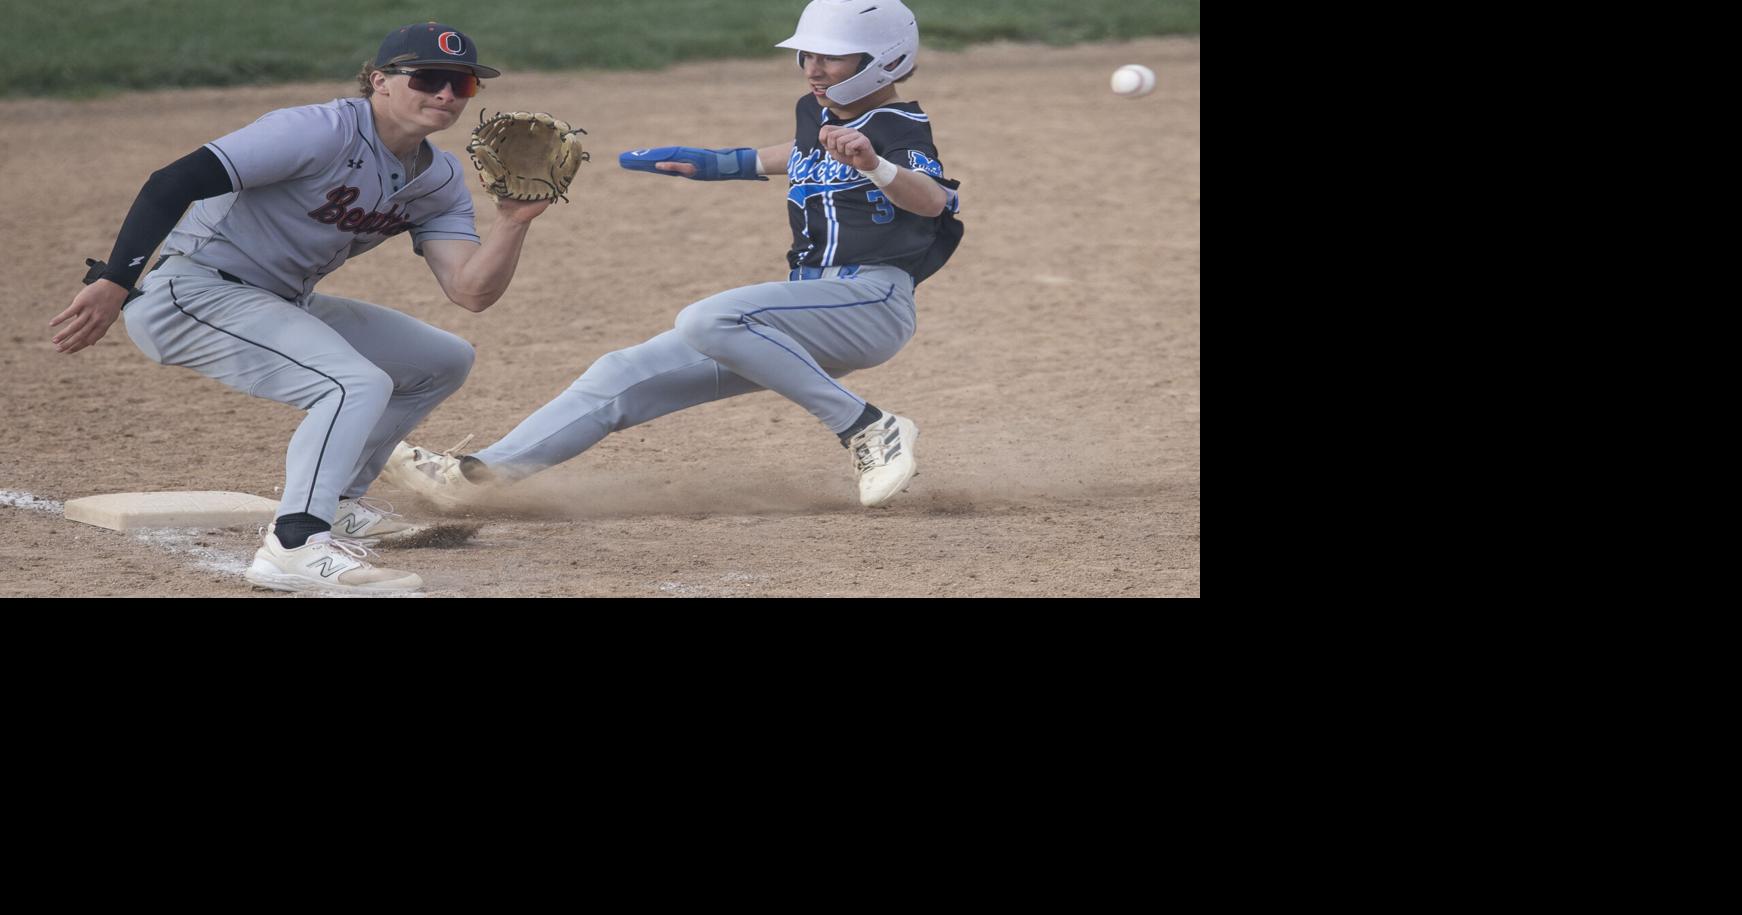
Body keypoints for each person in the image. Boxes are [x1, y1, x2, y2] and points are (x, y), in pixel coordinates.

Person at [383, 0, 963, 513]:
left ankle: (868, 428)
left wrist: (875, 165)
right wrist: (711, 163)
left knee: (711, 318)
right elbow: (800, 153)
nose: (814, 68)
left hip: (870, 301)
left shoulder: (898, 126)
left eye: (832, 58)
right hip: (808, 310)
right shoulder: (818, 115)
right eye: (807, 54)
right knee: (624, 373)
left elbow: (933, 198)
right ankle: (479, 477)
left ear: (883, 60)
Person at [50, 22, 555, 594]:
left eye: (461, 85)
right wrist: (116, 280)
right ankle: (294, 543)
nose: (444, 94)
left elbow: (471, 291)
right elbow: (172, 182)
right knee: (352, 384)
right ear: (379, 81)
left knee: (443, 359)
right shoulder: (317, 131)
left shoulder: (437, 179)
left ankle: (337, 505)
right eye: (428, 78)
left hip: (280, 301)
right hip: (191, 294)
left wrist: (512, 221)